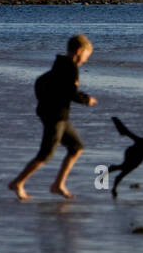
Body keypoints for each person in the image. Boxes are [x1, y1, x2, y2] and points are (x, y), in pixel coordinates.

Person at [8, 34, 98, 200]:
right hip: (55, 117)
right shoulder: (69, 68)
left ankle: (58, 185)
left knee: (76, 148)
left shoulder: (62, 65)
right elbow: (70, 92)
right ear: (79, 51)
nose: (85, 61)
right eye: (86, 56)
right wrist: (87, 99)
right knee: (46, 154)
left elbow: (43, 82)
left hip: (58, 116)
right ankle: (18, 182)